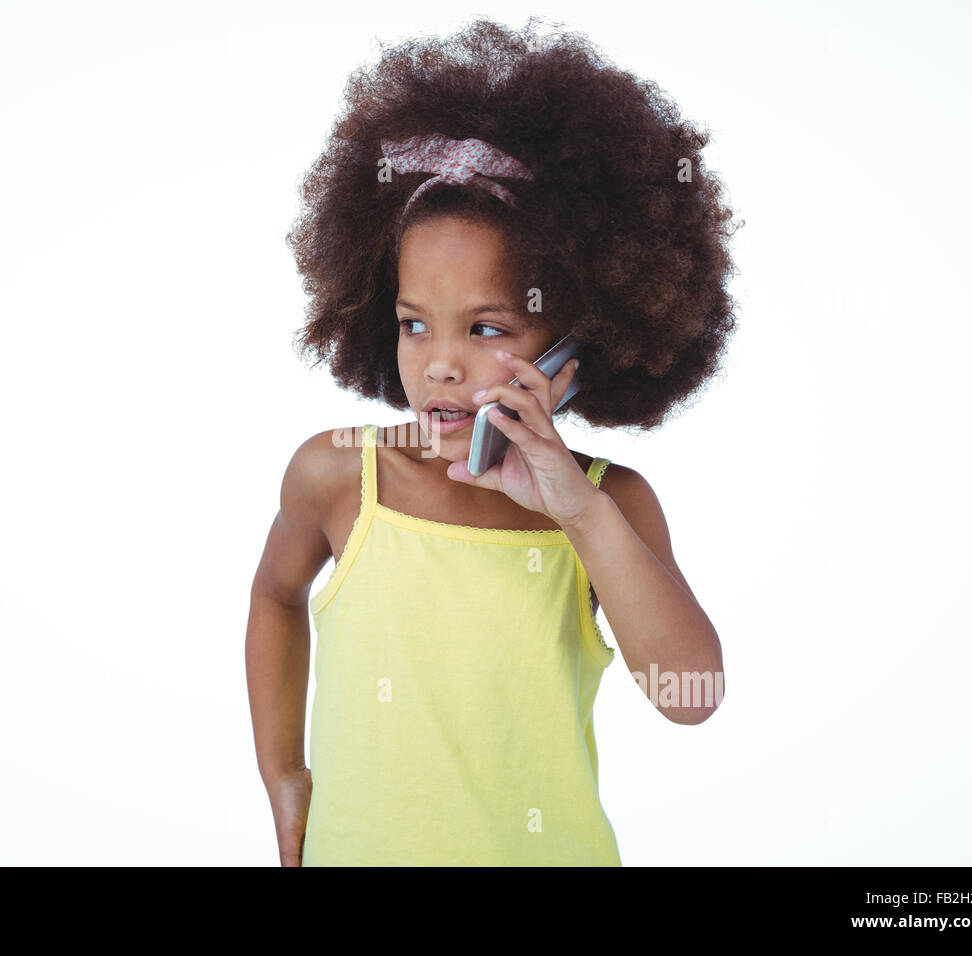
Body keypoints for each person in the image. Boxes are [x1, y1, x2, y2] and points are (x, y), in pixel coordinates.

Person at [246, 16, 736, 866]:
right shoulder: (337, 475)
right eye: (413, 324)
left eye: (484, 327)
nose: (439, 365)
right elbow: (275, 597)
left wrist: (577, 511)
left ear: (573, 347)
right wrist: (284, 773)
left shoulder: (606, 504)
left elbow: (689, 696)